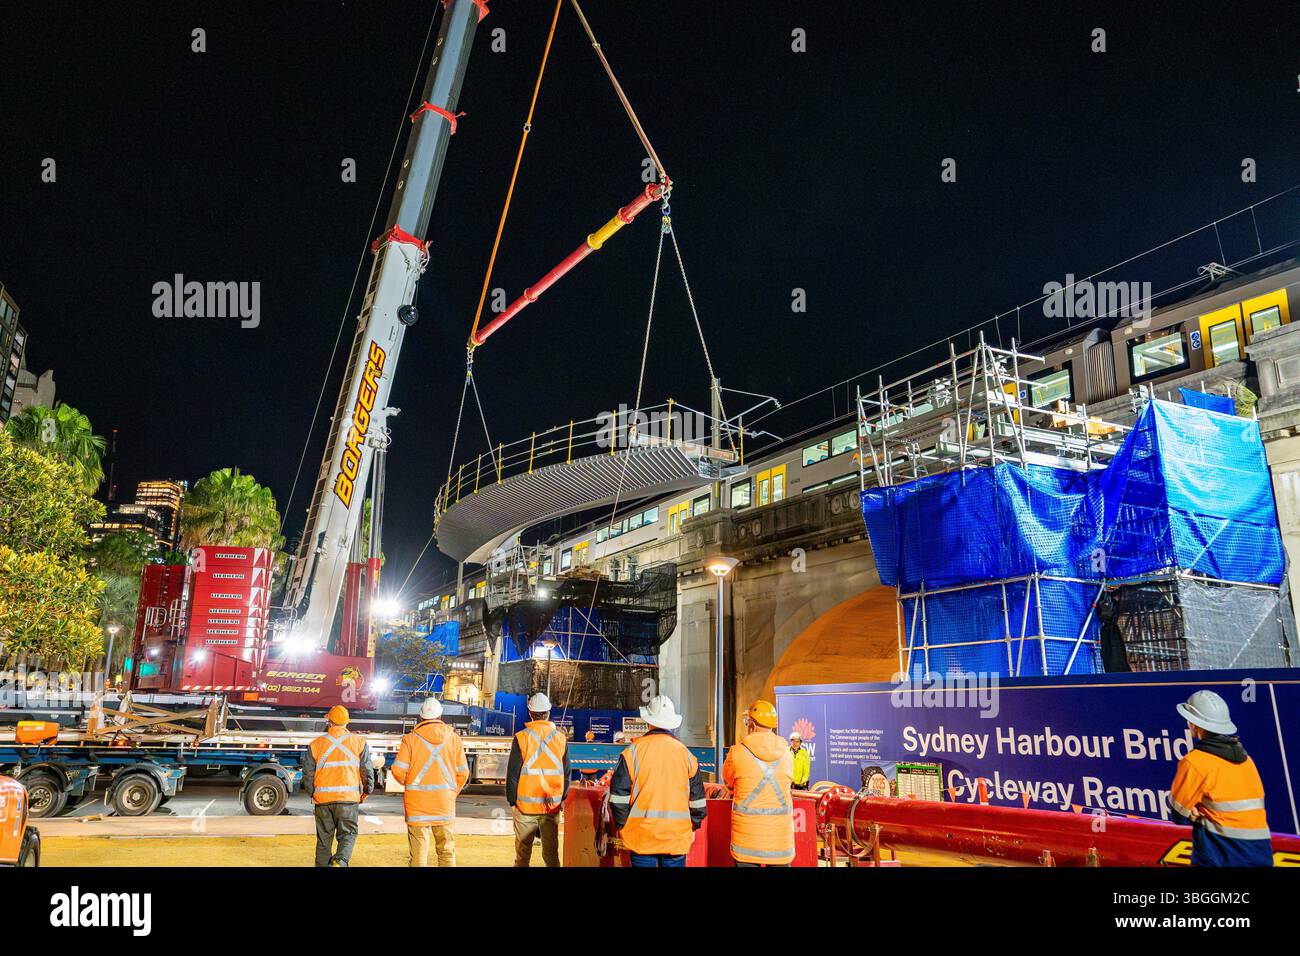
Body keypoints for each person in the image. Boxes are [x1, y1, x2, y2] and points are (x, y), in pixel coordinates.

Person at [1168, 690, 1272, 867]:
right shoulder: (1247, 760)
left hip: (1221, 854)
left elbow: (1178, 814)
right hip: (1260, 853)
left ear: (1195, 725)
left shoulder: (1195, 762)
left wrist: (1195, 810)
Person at [609, 695, 707, 867]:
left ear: (648, 721)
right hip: (676, 838)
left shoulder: (632, 753)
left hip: (642, 837)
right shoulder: (687, 755)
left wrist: (623, 826)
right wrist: (693, 826)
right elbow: (697, 801)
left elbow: (618, 796)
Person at [391, 697, 469, 867]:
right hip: (444, 803)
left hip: (417, 804)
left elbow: (397, 770)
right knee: (446, 852)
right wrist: (451, 793)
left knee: (418, 854)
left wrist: (412, 785)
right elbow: (463, 773)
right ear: (440, 716)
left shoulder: (410, 739)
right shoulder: (454, 738)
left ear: (421, 717)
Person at [723, 699, 795, 867]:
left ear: (752, 724)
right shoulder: (787, 754)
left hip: (747, 842)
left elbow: (728, 780)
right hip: (780, 843)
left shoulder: (737, 753)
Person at [302, 705, 374, 867]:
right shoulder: (359, 742)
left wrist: (313, 793)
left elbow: (308, 774)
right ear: (347, 723)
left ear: (329, 722)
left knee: (323, 841)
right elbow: (367, 771)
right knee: (348, 835)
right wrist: (366, 791)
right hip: (348, 800)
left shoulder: (316, 744)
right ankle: (340, 861)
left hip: (322, 801)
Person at [505, 692, 569, 867]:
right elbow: (567, 773)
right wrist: (561, 799)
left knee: (522, 857)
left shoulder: (522, 737)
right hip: (551, 805)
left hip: (525, 807)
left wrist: (512, 801)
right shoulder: (560, 738)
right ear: (548, 712)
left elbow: (512, 774)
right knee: (551, 856)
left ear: (530, 713)